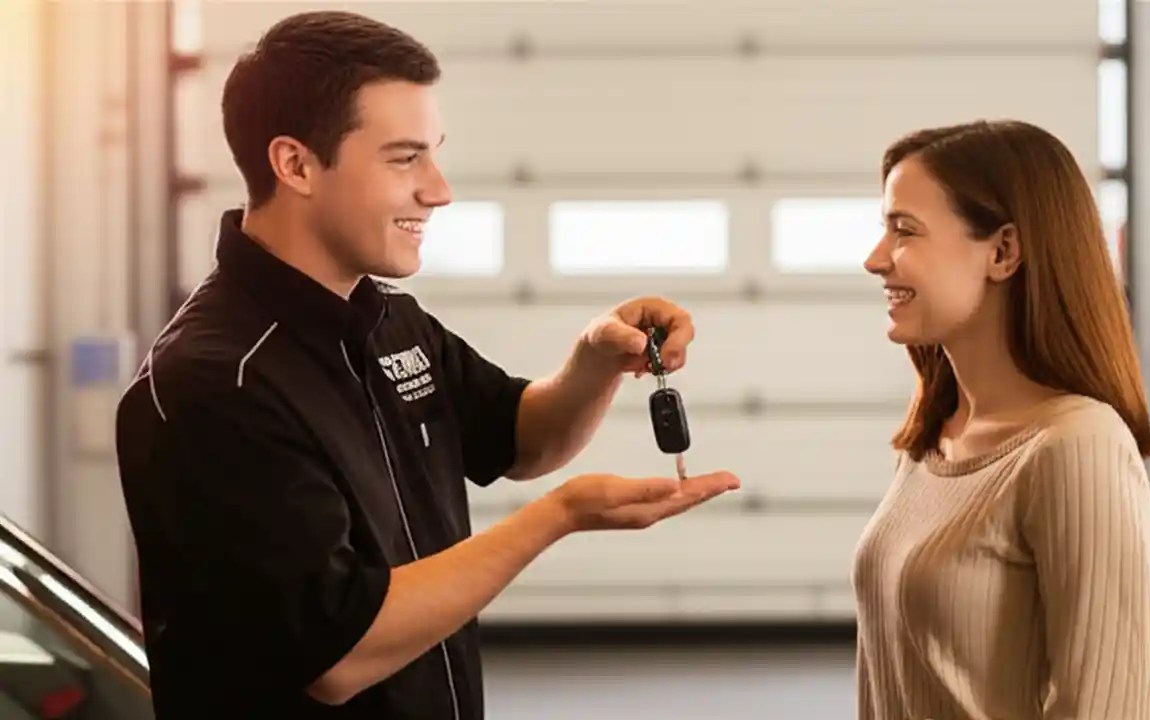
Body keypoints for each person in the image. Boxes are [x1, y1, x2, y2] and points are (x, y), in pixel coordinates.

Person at [114, 11, 739, 719]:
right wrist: (557, 518)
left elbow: (518, 437)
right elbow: (338, 654)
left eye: (433, 154)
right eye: (404, 158)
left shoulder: (386, 318)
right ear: (295, 165)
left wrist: (596, 357)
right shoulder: (216, 385)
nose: (439, 189)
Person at [853, 120, 1150, 719]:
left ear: (1002, 251)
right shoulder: (933, 440)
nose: (875, 259)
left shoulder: (1078, 445)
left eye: (903, 230)